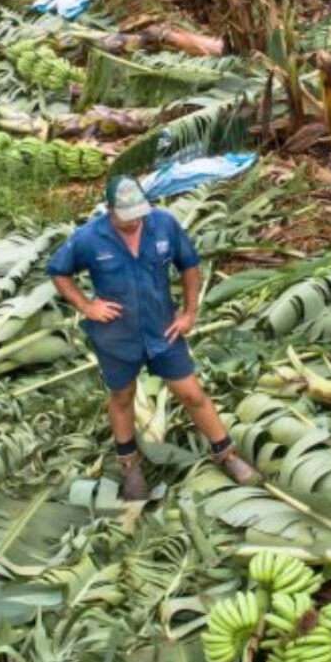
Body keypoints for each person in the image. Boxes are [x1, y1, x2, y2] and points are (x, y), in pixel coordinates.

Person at [49, 174, 261, 501]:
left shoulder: (163, 224)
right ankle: (130, 466)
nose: (136, 222)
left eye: (140, 214)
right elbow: (58, 270)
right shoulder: (89, 237)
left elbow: (189, 264)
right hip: (117, 336)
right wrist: (86, 306)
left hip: (162, 329)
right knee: (122, 397)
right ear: (109, 209)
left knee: (192, 393)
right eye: (127, 216)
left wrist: (190, 312)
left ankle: (227, 455)